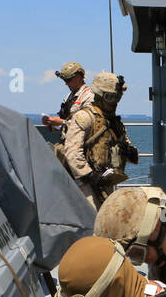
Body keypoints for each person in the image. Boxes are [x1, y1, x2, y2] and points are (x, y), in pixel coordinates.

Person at [58, 72, 140, 209]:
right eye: (110, 97)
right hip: (85, 184)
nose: (114, 102)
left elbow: (130, 150)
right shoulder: (84, 117)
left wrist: (129, 152)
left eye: (117, 97)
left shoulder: (115, 123)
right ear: (100, 96)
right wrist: (89, 175)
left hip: (106, 181)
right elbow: (72, 152)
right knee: (92, 219)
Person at [42, 61, 92, 131]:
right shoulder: (70, 96)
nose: (66, 83)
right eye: (64, 80)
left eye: (68, 80)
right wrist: (51, 123)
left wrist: (62, 122)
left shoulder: (89, 96)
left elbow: (87, 125)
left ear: (78, 77)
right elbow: (62, 125)